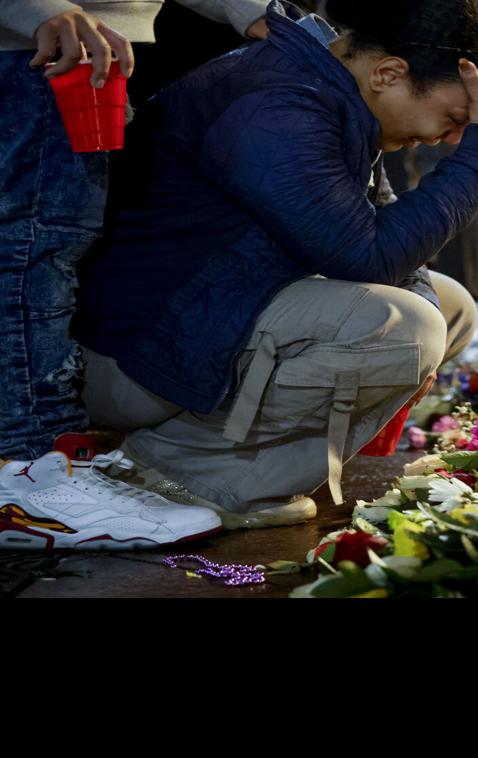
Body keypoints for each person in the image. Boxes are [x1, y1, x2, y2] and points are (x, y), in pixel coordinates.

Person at [25, 0, 478, 548]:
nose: (451, 139)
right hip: (131, 362)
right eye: (456, 120)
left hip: (198, 326)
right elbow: (371, 257)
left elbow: (388, 252)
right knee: (401, 327)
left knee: (446, 307)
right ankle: (168, 476)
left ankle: (213, 464)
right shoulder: (278, 104)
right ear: (388, 73)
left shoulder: (331, 90)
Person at [1, 1, 275, 550]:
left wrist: (257, 9)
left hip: (78, 43)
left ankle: (49, 463)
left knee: (48, 247)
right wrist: (40, 7)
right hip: (40, 45)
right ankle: (27, 474)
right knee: (32, 251)